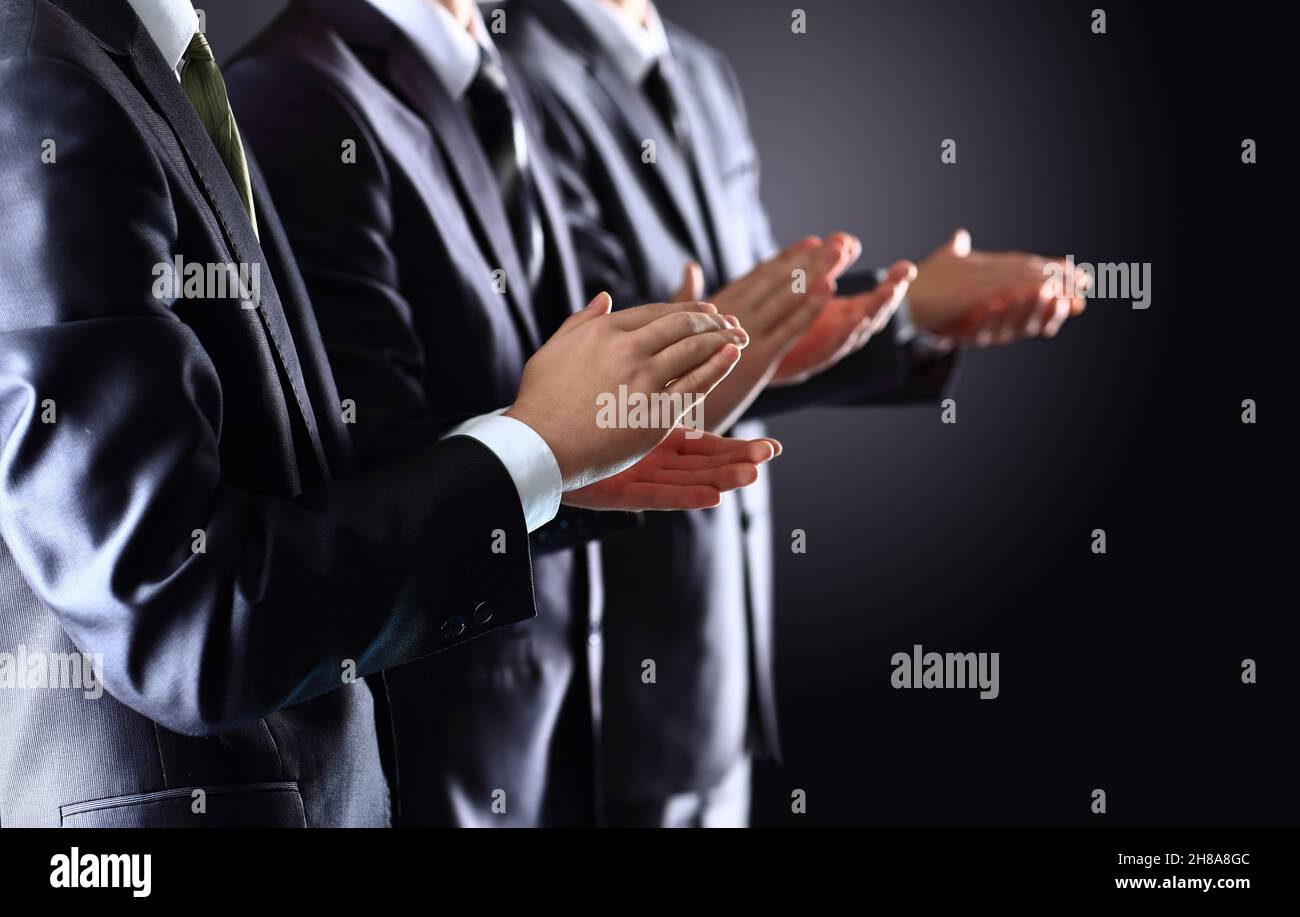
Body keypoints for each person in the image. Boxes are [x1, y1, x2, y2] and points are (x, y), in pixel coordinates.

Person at [0, 0, 773, 827]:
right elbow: (179, 616)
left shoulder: (155, 55)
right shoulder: (43, 81)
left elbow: (293, 480)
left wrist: (544, 469)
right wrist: (532, 448)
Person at [225, 0, 886, 825]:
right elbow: (362, 471)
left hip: (567, 713)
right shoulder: (293, 90)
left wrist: (628, 410)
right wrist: (556, 449)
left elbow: (552, 371)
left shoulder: (484, 69)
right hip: (442, 741)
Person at [500, 0, 1088, 826]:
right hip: (603, 687)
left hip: (721, 668)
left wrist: (903, 309)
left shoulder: (702, 70)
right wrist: (905, 307)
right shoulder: (511, 70)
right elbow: (587, 395)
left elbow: (766, 330)